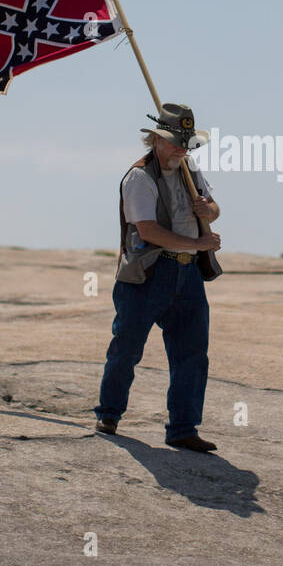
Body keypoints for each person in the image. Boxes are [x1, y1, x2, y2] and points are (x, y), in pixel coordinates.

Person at [94, 103, 223, 453]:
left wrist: (206, 209)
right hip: (148, 274)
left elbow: (214, 206)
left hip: (189, 273)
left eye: (186, 141)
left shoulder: (188, 169)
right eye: (175, 141)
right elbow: (149, 231)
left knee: (192, 354)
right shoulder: (139, 177)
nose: (183, 148)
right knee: (127, 347)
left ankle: (183, 428)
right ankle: (109, 414)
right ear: (155, 140)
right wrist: (199, 242)